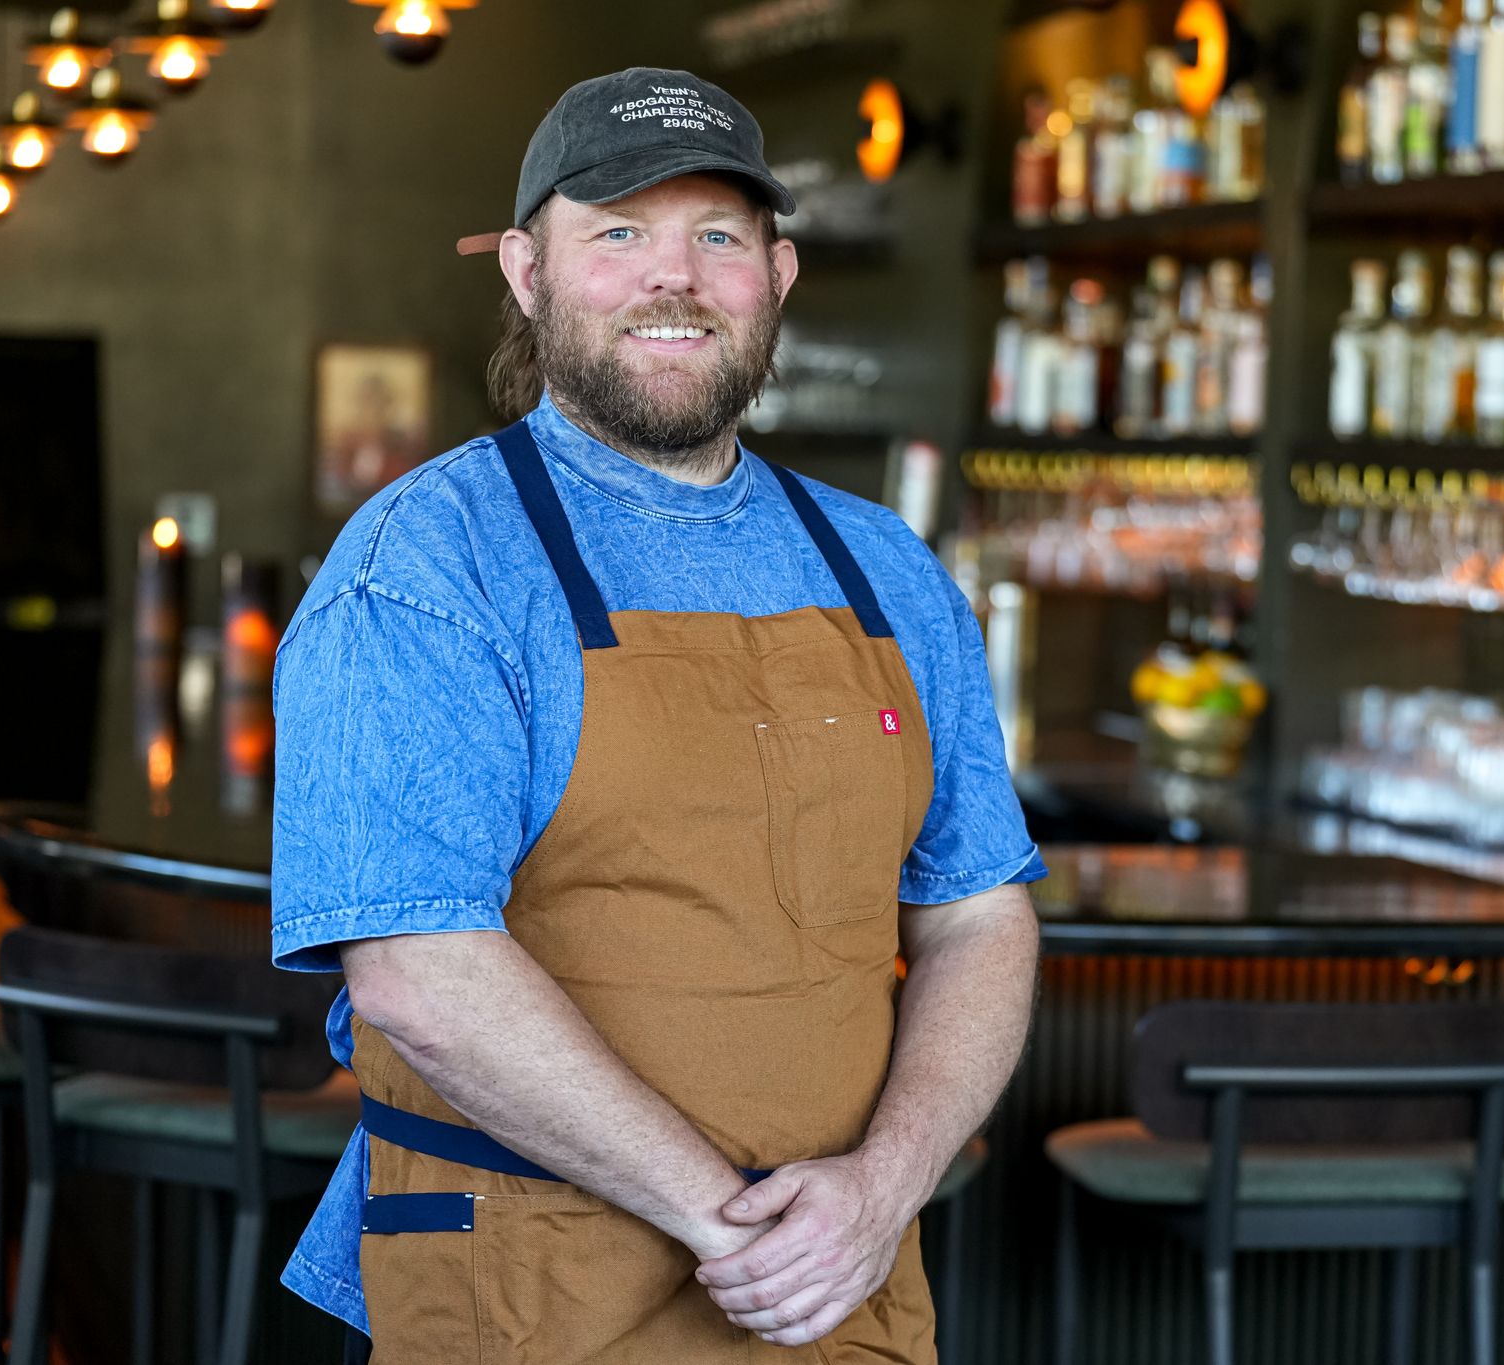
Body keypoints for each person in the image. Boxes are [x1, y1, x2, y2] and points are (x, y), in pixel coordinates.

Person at [269, 67, 1045, 1364]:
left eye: (719, 238)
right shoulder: (429, 561)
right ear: (527, 270)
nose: (671, 278)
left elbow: (979, 912)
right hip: (532, 1285)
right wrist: (729, 1225)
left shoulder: (889, 570)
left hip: (841, 1294)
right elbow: (419, 971)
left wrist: (882, 1188)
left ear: (780, 275)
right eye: (618, 232)